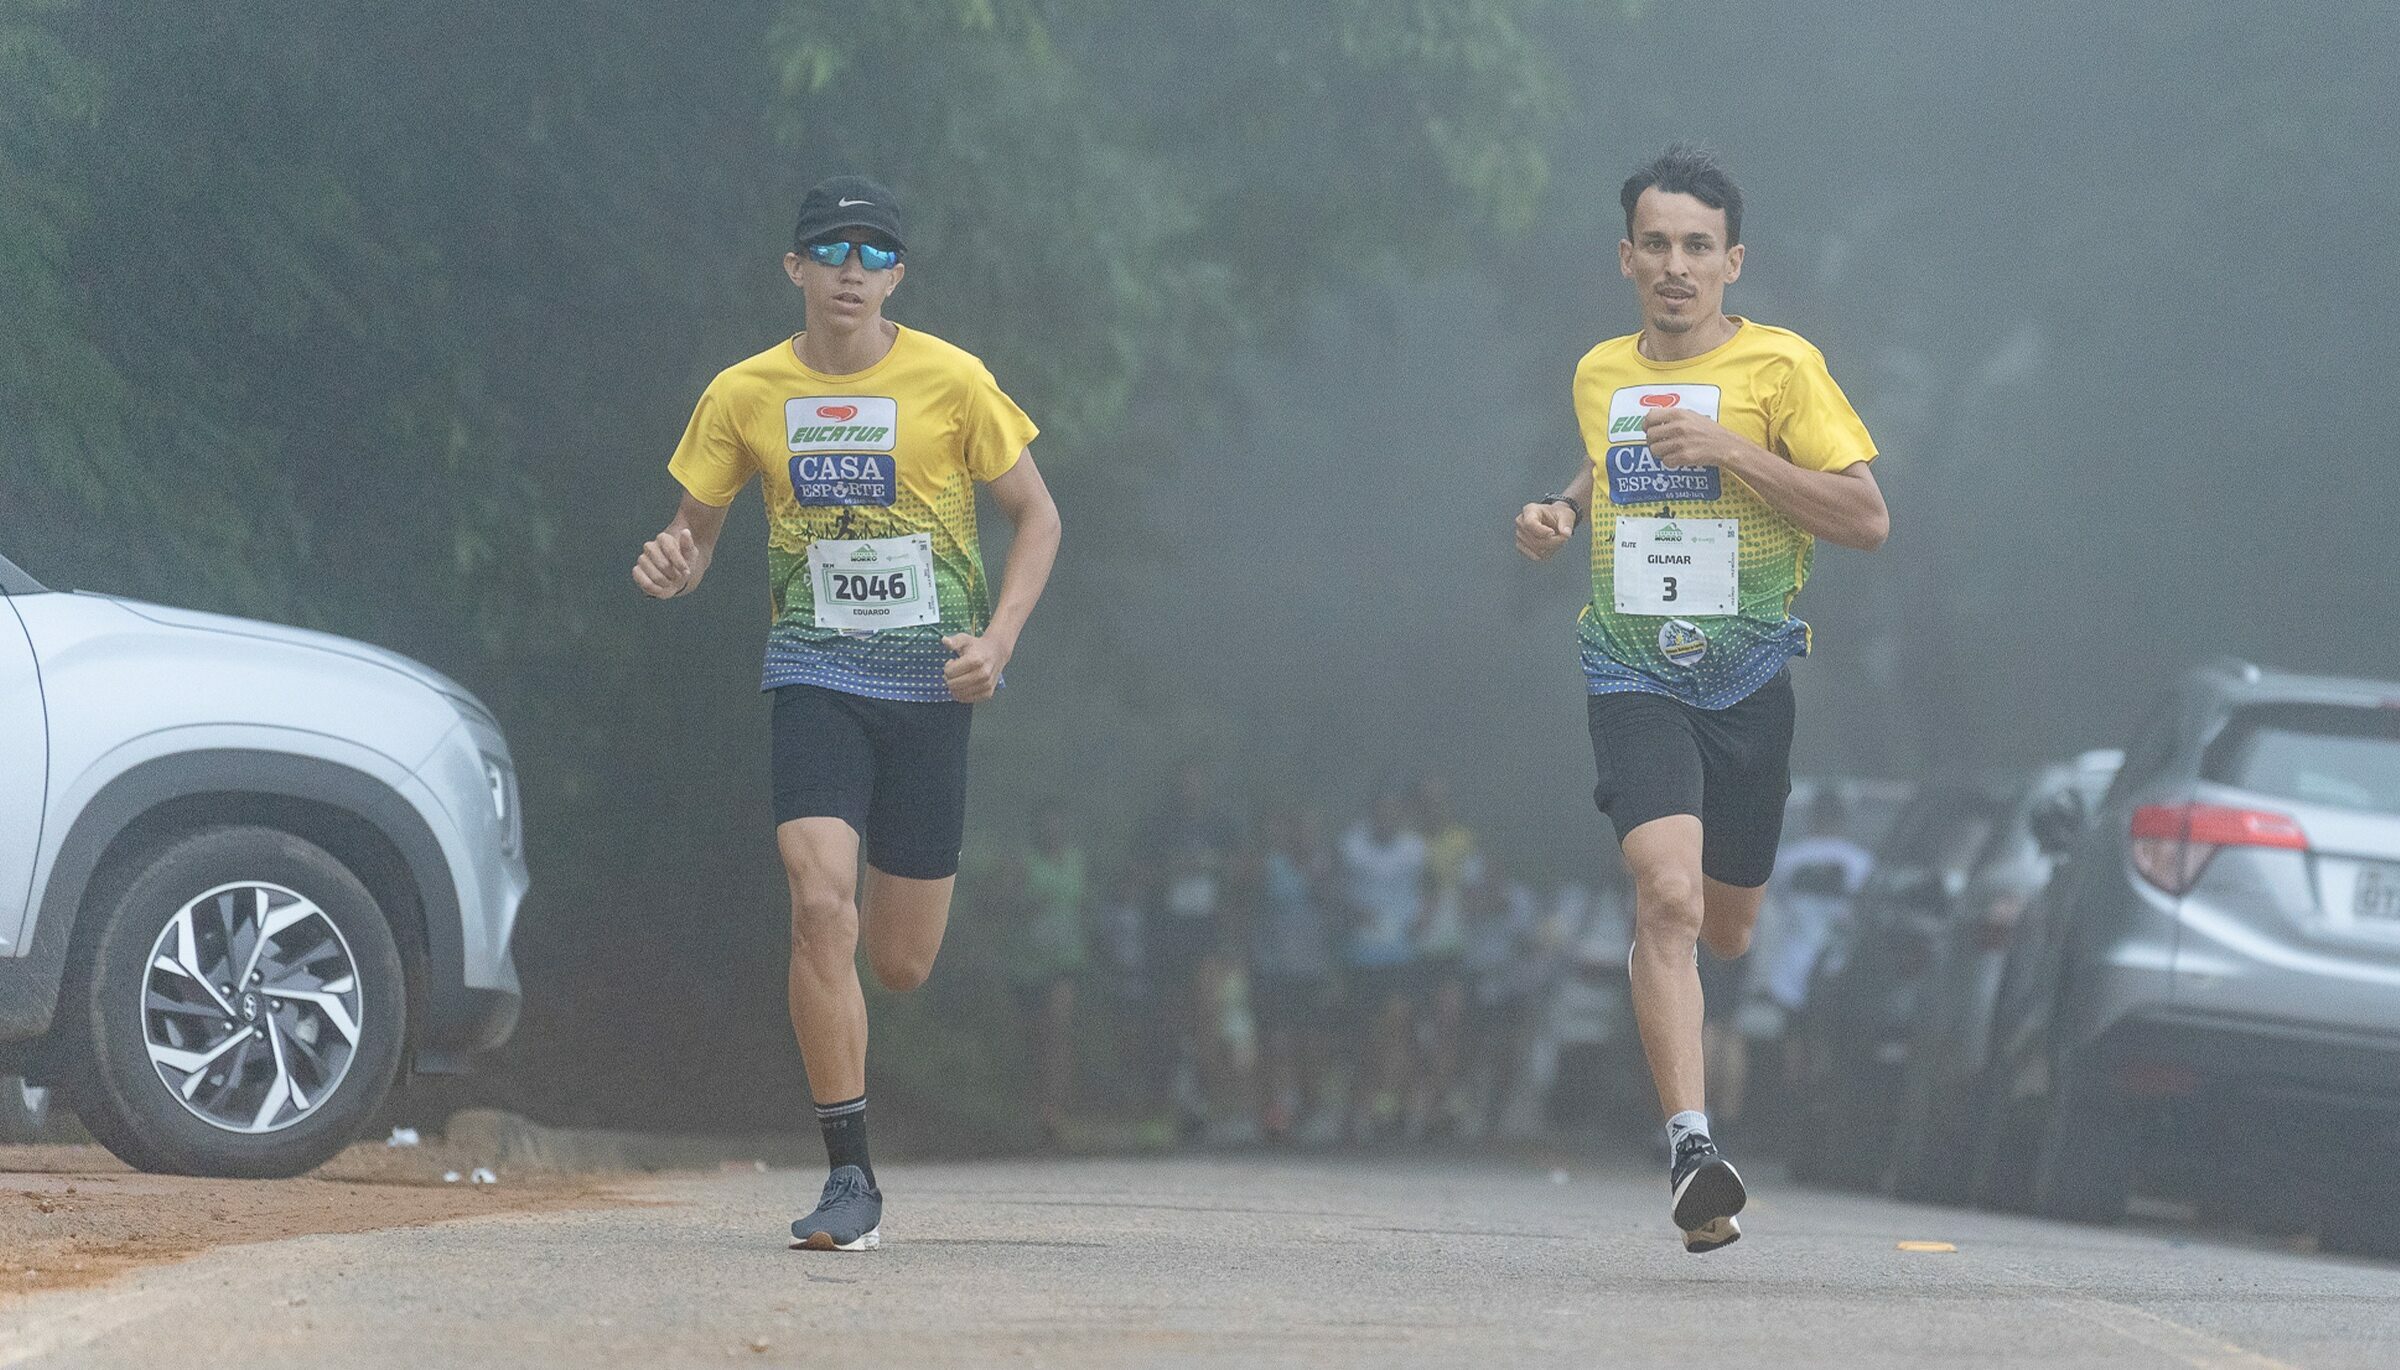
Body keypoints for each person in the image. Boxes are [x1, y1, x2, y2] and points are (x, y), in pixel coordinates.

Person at [632, 175, 1062, 1251]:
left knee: (900, 961)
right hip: (815, 670)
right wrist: (676, 562)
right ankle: (848, 1177)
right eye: (830, 250)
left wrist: (998, 642)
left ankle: (869, 1033)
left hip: (931, 686)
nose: (851, 271)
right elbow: (694, 536)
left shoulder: (953, 380)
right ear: (795, 267)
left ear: (897, 275)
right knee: (820, 902)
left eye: (873, 254)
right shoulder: (744, 392)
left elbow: (1038, 516)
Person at [1513, 145, 1888, 1252]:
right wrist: (1561, 509)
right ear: (1626, 259)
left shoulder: (1783, 368)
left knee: (1726, 928)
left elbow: (1866, 518)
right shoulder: (1599, 372)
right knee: (1666, 895)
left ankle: (1692, 1094)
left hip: (1749, 678)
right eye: (1657, 245)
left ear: (1733, 262)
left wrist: (1733, 449)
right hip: (1633, 670)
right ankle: (1690, 1148)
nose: (1676, 265)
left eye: (1697, 247)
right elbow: (1611, 454)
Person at [1339, 791, 1427, 1142]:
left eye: (1393, 812)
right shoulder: (1352, 847)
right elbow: (1335, 888)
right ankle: (1358, 1107)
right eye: (1381, 812)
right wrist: (1352, 911)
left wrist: (1423, 917)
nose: (1386, 818)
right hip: (1362, 956)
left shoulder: (1415, 850)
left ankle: (1393, 1103)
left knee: (1398, 1024)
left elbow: (1432, 887)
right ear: (1371, 814)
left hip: (1400, 955)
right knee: (1365, 1037)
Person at [1249, 804, 1339, 1144]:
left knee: (1311, 1045)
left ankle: (1311, 1111)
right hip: (1273, 969)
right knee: (1275, 1043)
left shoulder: (1326, 867)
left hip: (1312, 970)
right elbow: (1247, 901)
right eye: (1299, 829)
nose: (1305, 836)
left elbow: (1336, 909)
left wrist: (1321, 884)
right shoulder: (1270, 866)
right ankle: (1274, 1115)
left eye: (1311, 830)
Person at [1004, 801, 1090, 1147]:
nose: (1052, 828)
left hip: (1066, 961)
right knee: (1034, 1039)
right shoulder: (1025, 862)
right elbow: (1004, 904)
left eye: (1058, 821)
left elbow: (1082, 904)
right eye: (1046, 822)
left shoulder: (1076, 860)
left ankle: (1055, 1110)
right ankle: (1034, 1107)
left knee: (1058, 1030)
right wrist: (1026, 906)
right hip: (1028, 964)